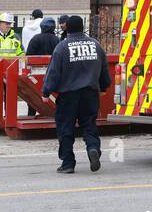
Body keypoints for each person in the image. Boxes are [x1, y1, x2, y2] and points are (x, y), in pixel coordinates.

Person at [42, 15, 110, 173]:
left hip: (68, 96)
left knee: (65, 128)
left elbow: (53, 72)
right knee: (89, 125)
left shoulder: (62, 47)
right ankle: (93, 148)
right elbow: (104, 68)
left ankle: (68, 163)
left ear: (67, 29)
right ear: (82, 28)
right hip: (90, 94)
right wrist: (104, 86)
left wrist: (46, 91)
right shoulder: (95, 45)